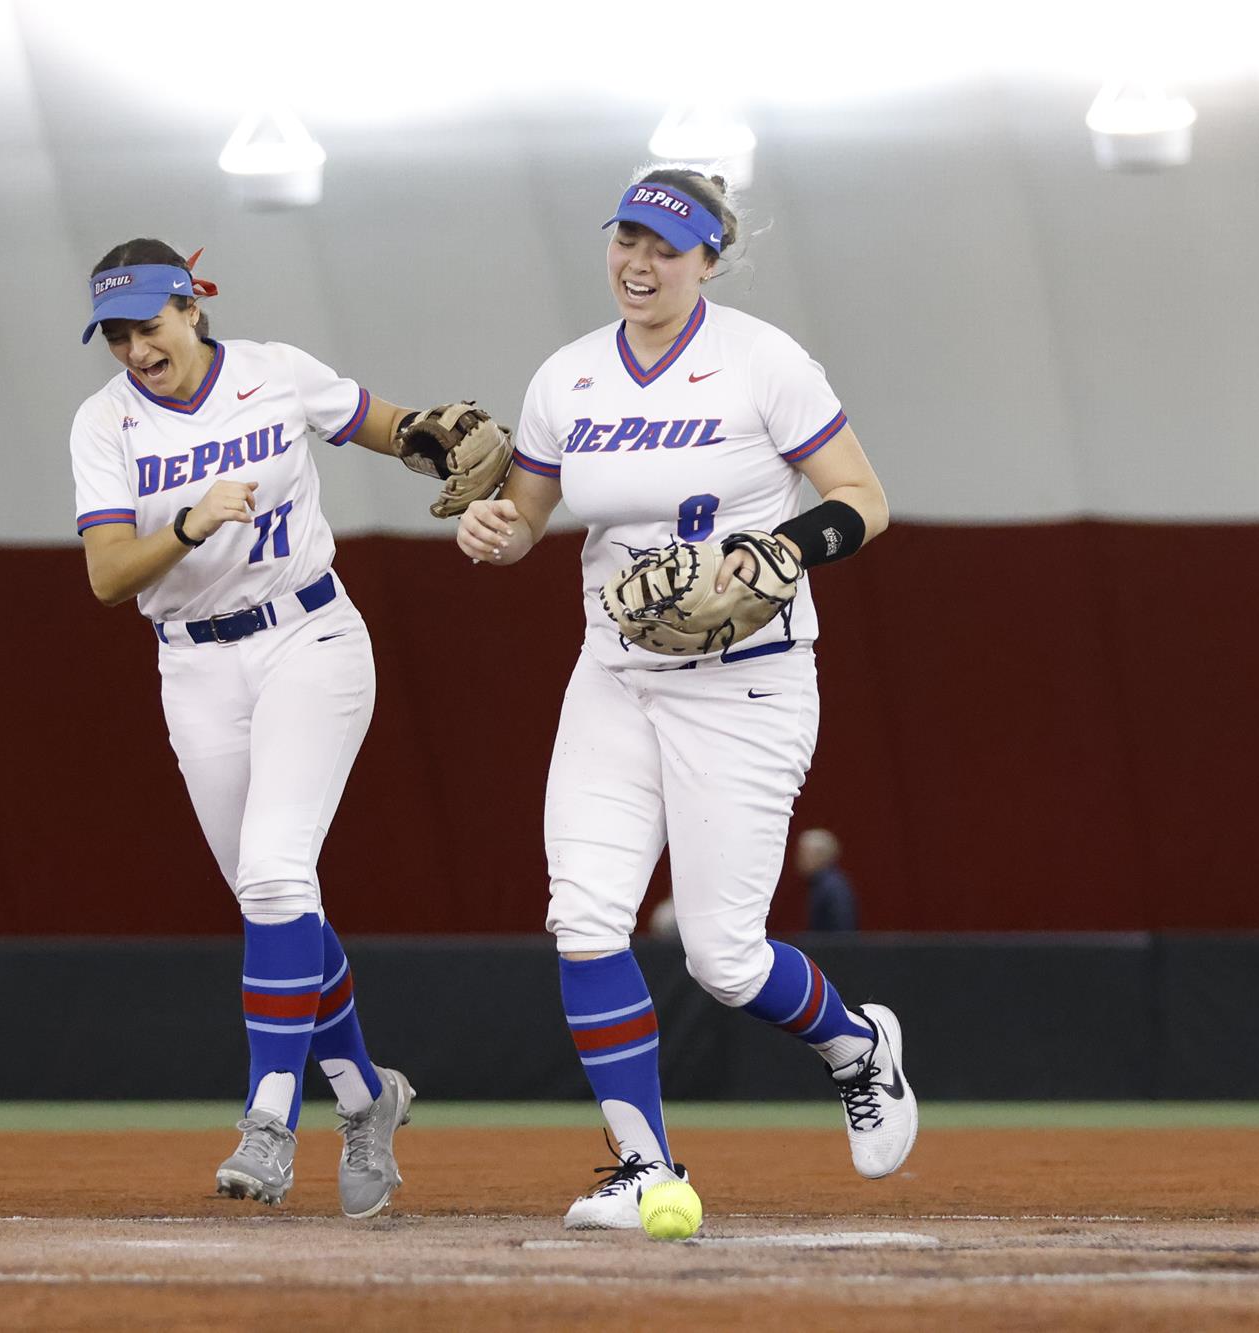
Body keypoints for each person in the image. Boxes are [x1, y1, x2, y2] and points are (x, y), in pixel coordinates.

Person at [455, 168, 913, 1233]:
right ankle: (644, 1166)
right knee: (583, 915)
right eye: (626, 240)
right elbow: (523, 512)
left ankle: (857, 1045)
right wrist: (496, 531)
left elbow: (865, 501)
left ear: (709, 258)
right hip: (614, 674)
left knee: (721, 955)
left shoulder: (761, 362)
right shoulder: (567, 378)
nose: (640, 263)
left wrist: (777, 552)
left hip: (744, 683)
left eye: (666, 248)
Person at [69, 239, 432, 1218]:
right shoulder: (103, 423)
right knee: (277, 903)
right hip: (193, 665)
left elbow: (376, 421)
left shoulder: (273, 372)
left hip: (307, 636)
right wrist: (185, 525)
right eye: (116, 335)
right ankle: (366, 1097)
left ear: (192, 306)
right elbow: (107, 576)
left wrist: (434, 436)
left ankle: (269, 1117)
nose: (135, 349)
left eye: (148, 325)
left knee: (275, 874)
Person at [795, 828, 859, 932]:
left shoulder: (832, 888)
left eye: (803, 854)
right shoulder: (823, 884)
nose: (798, 859)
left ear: (820, 855)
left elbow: (841, 932)